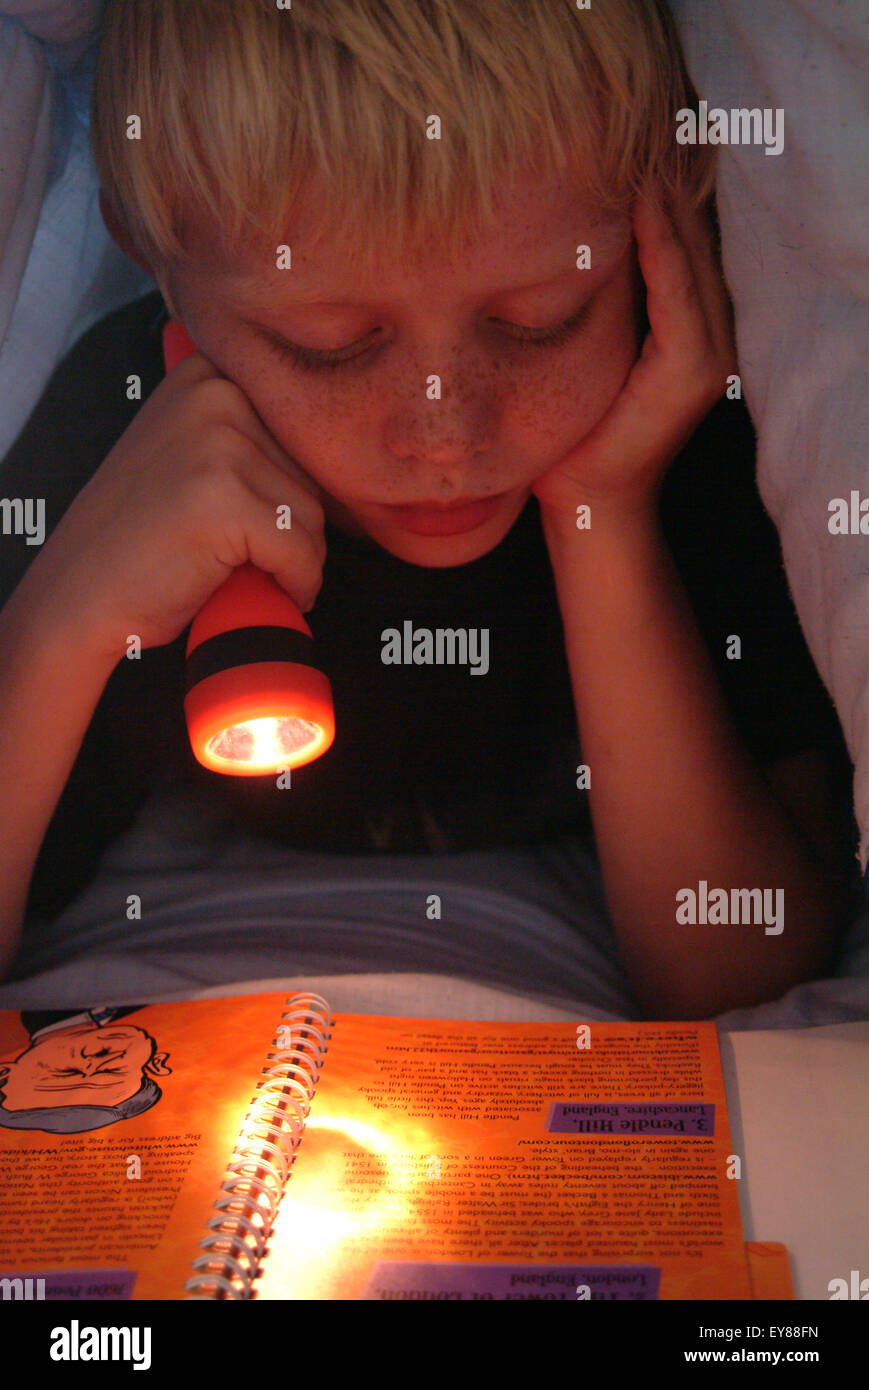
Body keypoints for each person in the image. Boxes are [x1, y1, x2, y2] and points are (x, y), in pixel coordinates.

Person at [0, 0, 856, 1016]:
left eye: (539, 321)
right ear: (155, 265)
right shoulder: (121, 447)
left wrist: (603, 515)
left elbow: (732, 975)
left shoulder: (700, 437)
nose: (446, 436)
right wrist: (60, 626)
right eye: (331, 343)